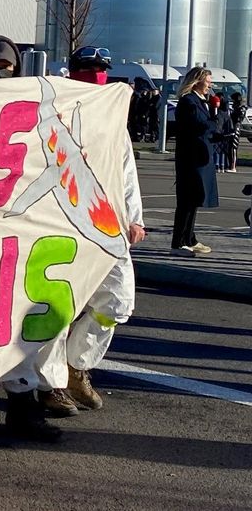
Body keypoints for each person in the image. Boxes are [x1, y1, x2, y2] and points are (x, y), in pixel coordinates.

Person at [45, 46, 146, 412]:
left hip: (107, 225)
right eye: (87, 69)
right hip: (62, 221)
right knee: (58, 306)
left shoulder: (113, 117)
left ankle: (77, 365)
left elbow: (126, 171)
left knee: (117, 300)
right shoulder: (55, 110)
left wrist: (134, 217)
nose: (96, 75)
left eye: (102, 69)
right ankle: (50, 383)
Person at [171, 67, 219, 256]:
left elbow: (204, 130)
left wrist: (219, 135)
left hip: (201, 156)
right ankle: (178, 243)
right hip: (191, 159)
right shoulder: (188, 102)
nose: (210, 85)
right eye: (208, 81)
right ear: (197, 81)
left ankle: (190, 238)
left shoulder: (201, 102)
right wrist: (215, 120)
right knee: (186, 201)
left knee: (195, 200)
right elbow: (197, 126)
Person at [214, 96, 235, 173]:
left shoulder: (218, 114)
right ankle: (223, 165)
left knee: (217, 150)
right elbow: (230, 125)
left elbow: (218, 125)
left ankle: (217, 165)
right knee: (223, 151)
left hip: (219, 134)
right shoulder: (227, 114)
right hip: (226, 135)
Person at [230, 91, 246, 172]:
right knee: (232, 147)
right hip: (233, 126)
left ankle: (233, 166)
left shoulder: (241, 108)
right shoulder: (236, 108)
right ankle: (231, 165)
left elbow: (239, 118)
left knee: (234, 147)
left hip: (236, 127)